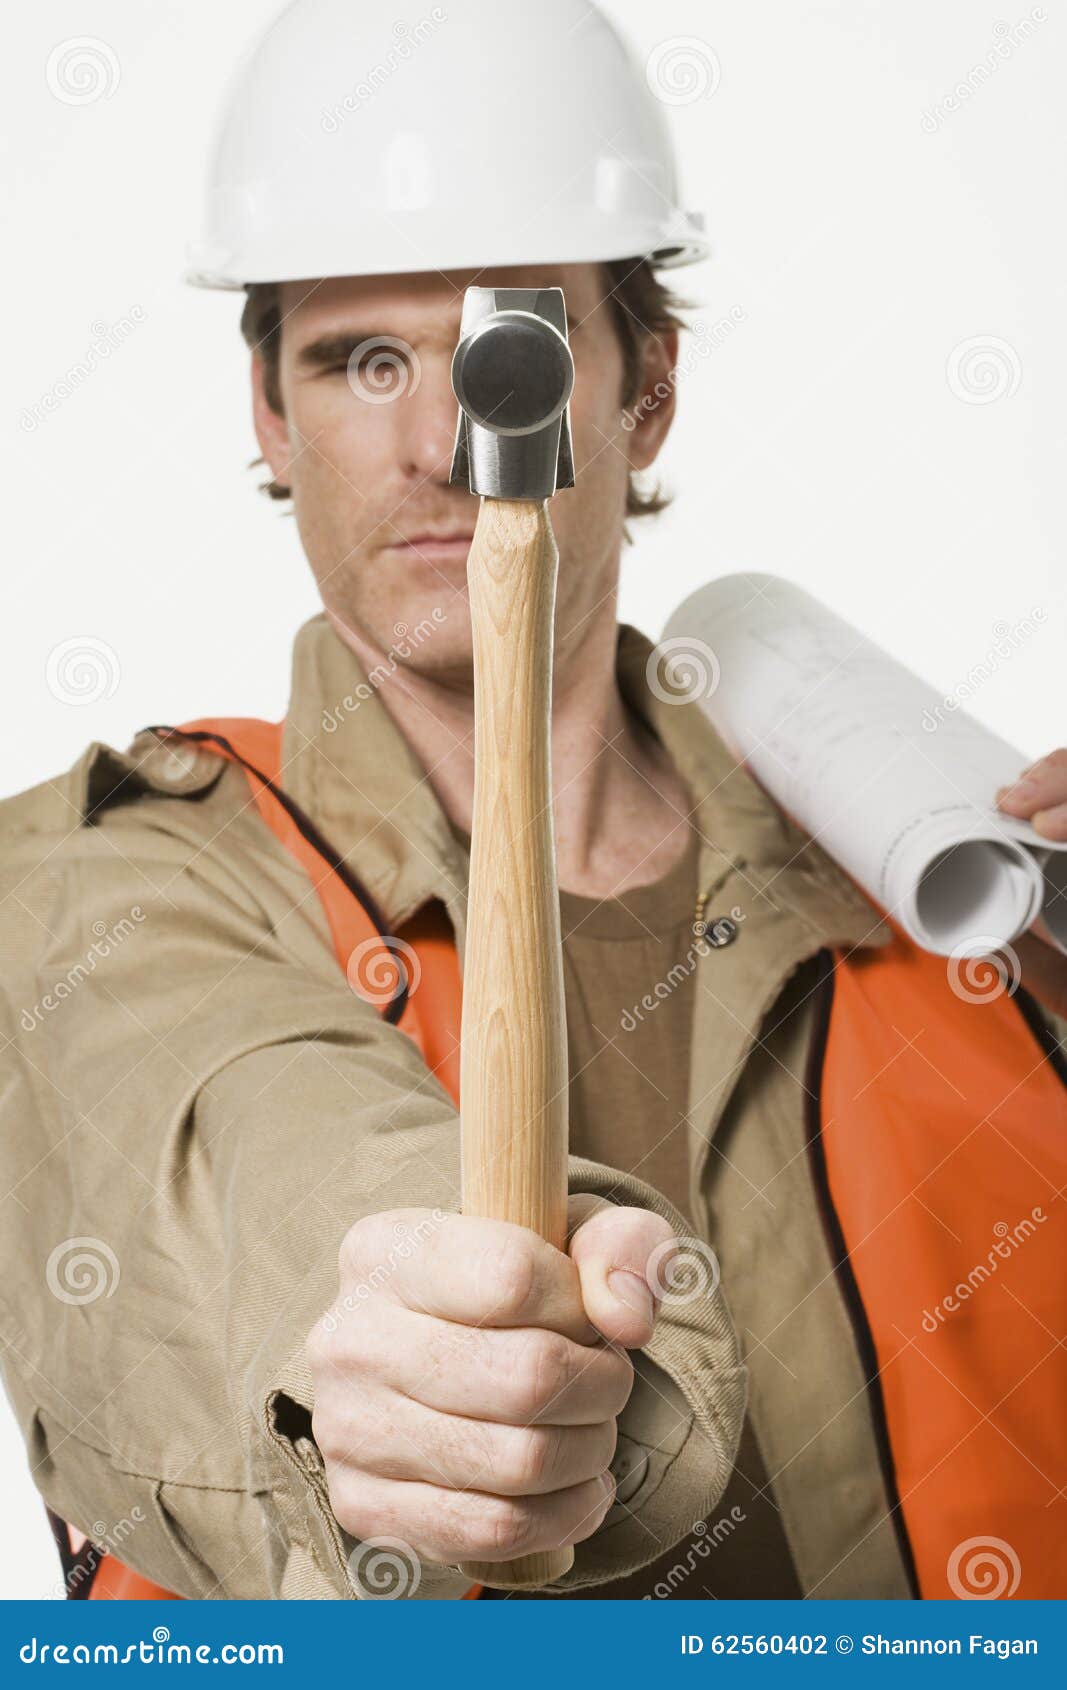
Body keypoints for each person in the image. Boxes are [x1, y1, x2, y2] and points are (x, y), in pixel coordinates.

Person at [2, 0, 1064, 1602]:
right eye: (362, 361)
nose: (441, 442)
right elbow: (249, 1174)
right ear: (269, 418)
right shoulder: (99, 890)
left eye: (519, 350)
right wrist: (415, 1358)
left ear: (647, 391)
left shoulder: (953, 883)